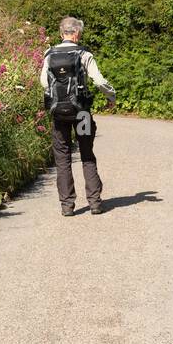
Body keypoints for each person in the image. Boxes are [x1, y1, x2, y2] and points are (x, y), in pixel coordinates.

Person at [39, 16, 116, 216]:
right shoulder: (83, 53)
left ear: (61, 33)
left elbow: (44, 83)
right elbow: (98, 81)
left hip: (59, 114)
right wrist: (111, 97)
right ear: (77, 33)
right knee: (87, 154)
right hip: (81, 113)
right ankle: (95, 203)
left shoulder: (49, 54)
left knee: (62, 157)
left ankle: (67, 205)